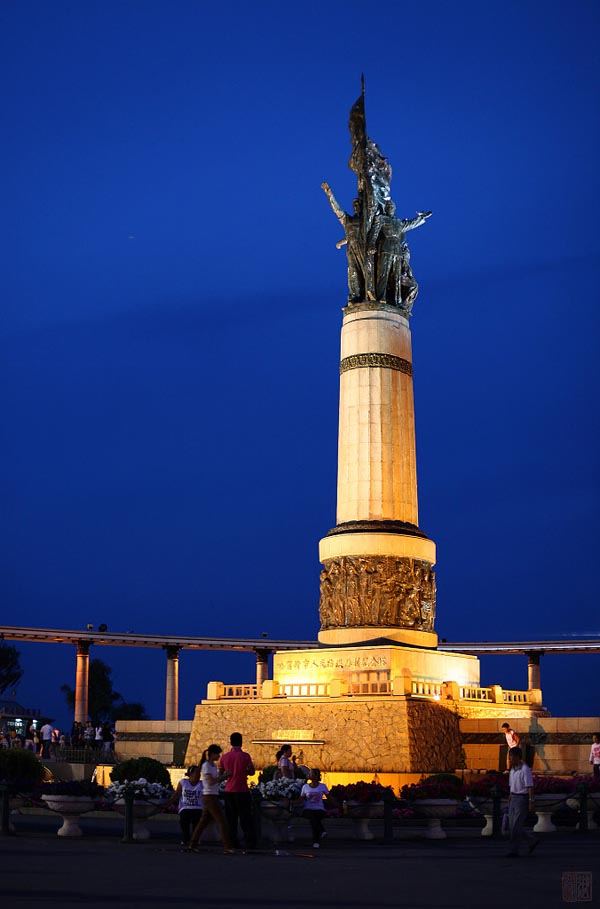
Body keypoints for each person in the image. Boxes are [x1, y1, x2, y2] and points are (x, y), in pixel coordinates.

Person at [188, 744, 234, 854]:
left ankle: (192, 844)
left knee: (203, 821)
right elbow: (211, 781)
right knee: (221, 821)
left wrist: (222, 777)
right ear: (212, 754)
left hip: (211, 795)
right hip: (209, 796)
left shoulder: (212, 766)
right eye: (217, 754)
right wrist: (225, 776)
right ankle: (227, 846)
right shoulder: (207, 766)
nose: (219, 756)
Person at [219, 732, 256, 849]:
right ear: (241, 742)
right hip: (242, 789)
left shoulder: (224, 757)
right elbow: (252, 771)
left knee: (231, 818)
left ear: (230, 742)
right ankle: (249, 842)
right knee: (245, 817)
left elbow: (221, 773)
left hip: (229, 790)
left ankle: (232, 842)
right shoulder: (245, 756)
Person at [506, 746, 539, 857]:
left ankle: (514, 850)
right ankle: (531, 840)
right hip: (514, 798)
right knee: (513, 826)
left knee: (516, 826)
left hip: (522, 798)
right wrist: (510, 798)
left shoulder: (525, 769)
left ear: (518, 757)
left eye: (512, 756)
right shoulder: (512, 770)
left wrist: (531, 801)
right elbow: (511, 786)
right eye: (510, 756)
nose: (510, 759)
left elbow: (530, 786)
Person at [167, 765, 204, 847]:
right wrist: (168, 803)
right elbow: (177, 794)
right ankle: (186, 838)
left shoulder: (202, 784)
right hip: (185, 807)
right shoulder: (183, 782)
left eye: (199, 773)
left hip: (198, 807)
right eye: (196, 773)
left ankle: (195, 839)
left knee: (197, 820)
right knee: (184, 820)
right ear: (191, 774)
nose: (199, 775)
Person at [300, 769, 330, 849]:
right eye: (309, 774)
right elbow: (301, 798)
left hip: (319, 808)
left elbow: (329, 797)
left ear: (316, 776)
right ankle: (321, 833)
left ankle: (316, 841)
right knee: (313, 818)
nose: (309, 775)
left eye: (311, 774)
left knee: (315, 819)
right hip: (308, 809)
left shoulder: (322, 786)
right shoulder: (305, 787)